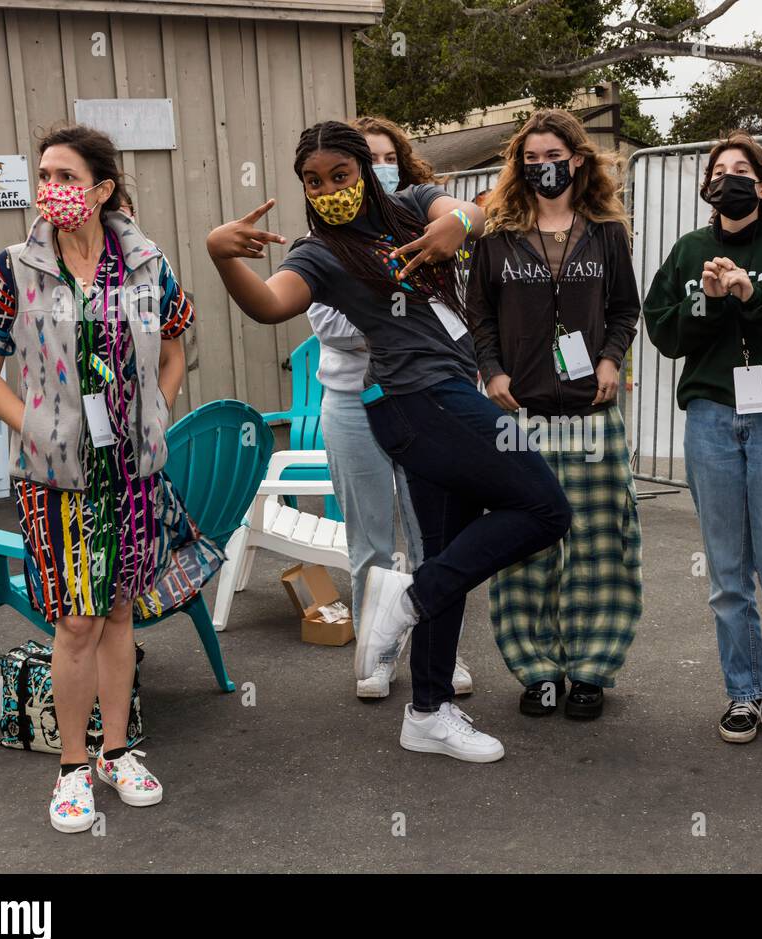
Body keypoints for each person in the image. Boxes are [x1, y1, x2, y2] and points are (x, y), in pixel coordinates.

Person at [207, 121, 571, 763]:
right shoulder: (319, 253)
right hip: (418, 399)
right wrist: (220, 253)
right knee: (545, 507)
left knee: (448, 549)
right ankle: (412, 595)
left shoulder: (408, 206)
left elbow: (469, 211)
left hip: (443, 389)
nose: (328, 191)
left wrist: (459, 222)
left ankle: (427, 712)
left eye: (340, 175)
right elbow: (269, 305)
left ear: (366, 171)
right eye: (313, 183)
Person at [0, 125, 222, 833]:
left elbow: (176, 349)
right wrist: (35, 425)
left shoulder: (146, 263)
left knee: (116, 612)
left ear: (102, 189)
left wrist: (158, 408)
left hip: (132, 472)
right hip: (55, 479)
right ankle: (72, 769)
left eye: (66, 175)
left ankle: (117, 750)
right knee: (77, 618)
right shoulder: (13, 267)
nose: (51, 187)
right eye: (43, 173)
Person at [643, 131, 762, 744]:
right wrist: (706, 300)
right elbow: (666, 334)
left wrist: (755, 294)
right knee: (728, 573)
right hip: (710, 421)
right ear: (708, 186)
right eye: (718, 170)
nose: (729, 178)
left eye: (742, 170)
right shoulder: (689, 250)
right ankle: (744, 693)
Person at [468, 109, 642, 720]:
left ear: (578, 160)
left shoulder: (606, 231)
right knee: (523, 546)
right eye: (532, 157)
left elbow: (624, 310)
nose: (545, 166)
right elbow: (480, 319)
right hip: (522, 416)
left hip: (592, 414)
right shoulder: (495, 234)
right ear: (519, 165)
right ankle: (537, 669)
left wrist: (612, 359)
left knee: (598, 545)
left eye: (555, 155)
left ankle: (590, 669)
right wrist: (492, 372)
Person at [302, 114, 470, 700]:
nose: (375, 170)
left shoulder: (419, 222)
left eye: (383, 158)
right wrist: (401, 324)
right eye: (362, 161)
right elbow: (325, 322)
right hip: (353, 402)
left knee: (434, 534)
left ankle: (440, 653)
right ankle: (376, 655)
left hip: (423, 402)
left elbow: (457, 295)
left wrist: (387, 320)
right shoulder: (322, 242)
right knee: (369, 540)